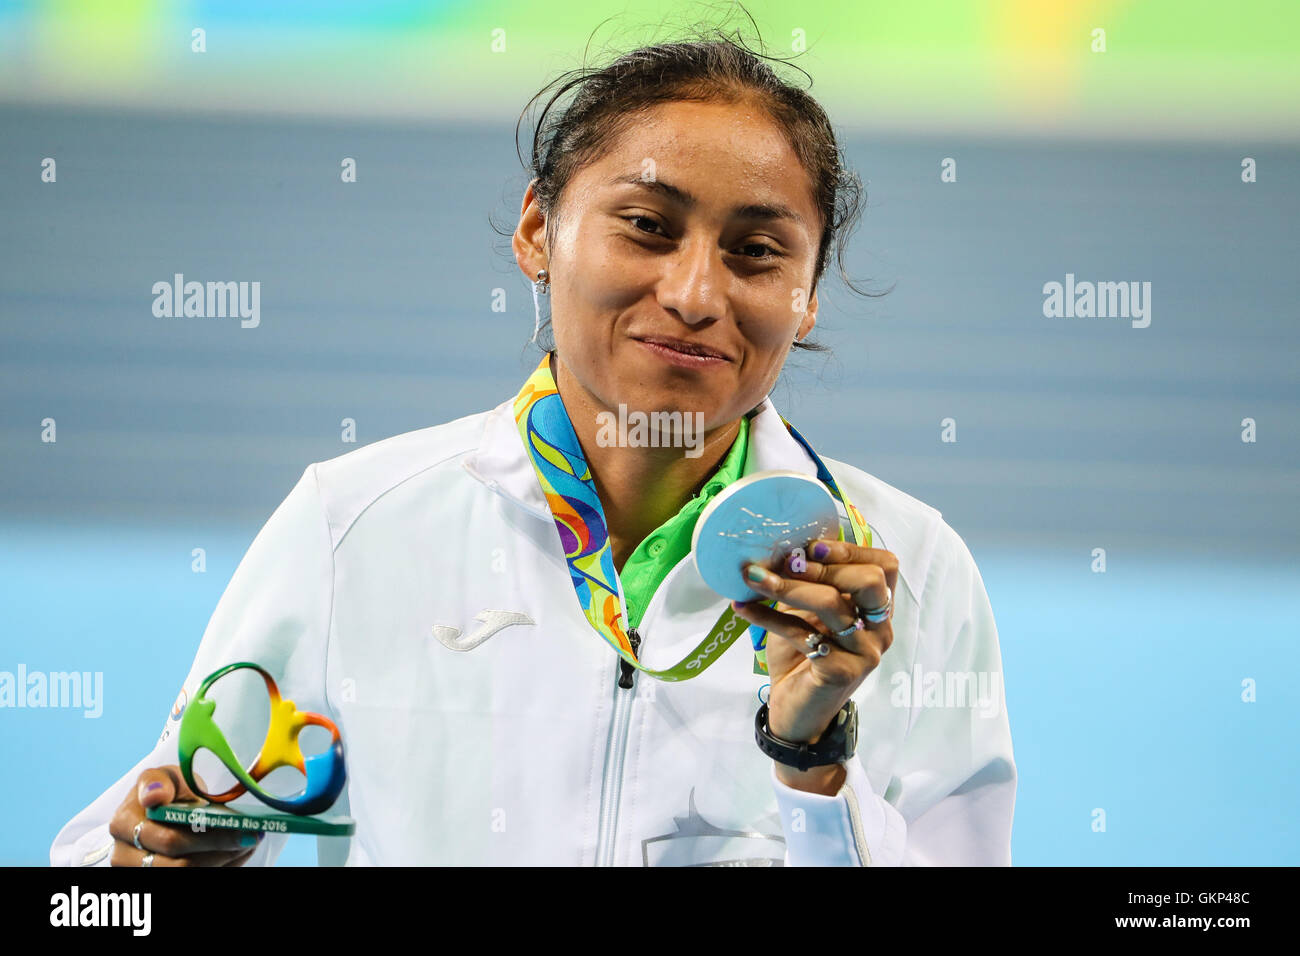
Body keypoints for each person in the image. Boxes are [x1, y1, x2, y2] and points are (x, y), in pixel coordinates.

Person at [51, 27, 1015, 867]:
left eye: (756, 252)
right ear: (537, 230)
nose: (693, 294)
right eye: (647, 226)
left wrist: (813, 764)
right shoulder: (354, 525)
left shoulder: (909, 572)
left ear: (807, 298)